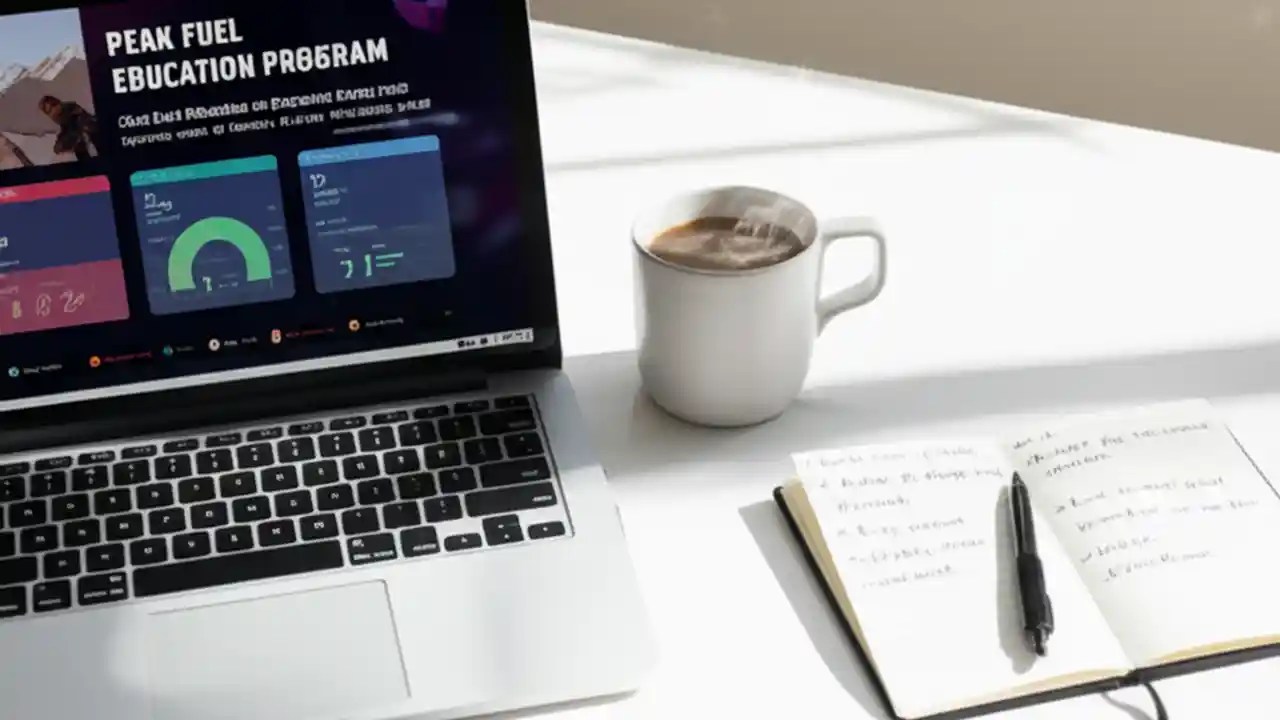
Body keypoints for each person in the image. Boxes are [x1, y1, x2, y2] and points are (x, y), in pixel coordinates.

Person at [39, 95, 99, 161]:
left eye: (53, 105)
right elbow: (66, 132)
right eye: (49, 111)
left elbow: (78, 132)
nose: (53, 112)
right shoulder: (65, 122)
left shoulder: (76, 114)